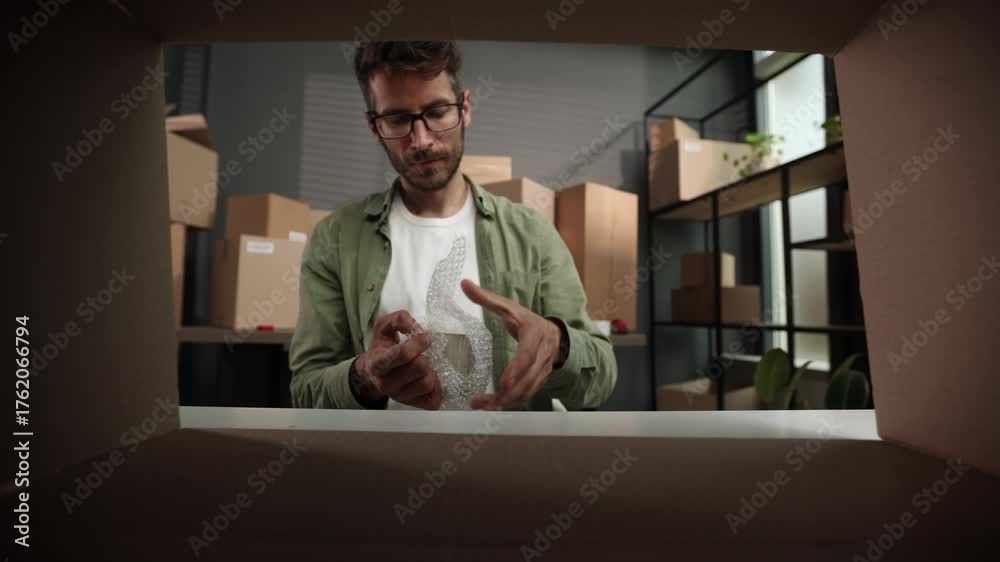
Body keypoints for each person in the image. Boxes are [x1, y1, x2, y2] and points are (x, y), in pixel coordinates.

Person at [288, 41, 617, 411]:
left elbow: (600, 377)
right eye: (397, 120)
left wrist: (559, 345)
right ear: (374, 127)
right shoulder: (335, 239)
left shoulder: (531, 232)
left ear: (465, 108)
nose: (422, 140)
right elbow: (306, 388)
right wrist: (364, 376)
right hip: (384, 463)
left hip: (508, 462)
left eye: (438, 112)